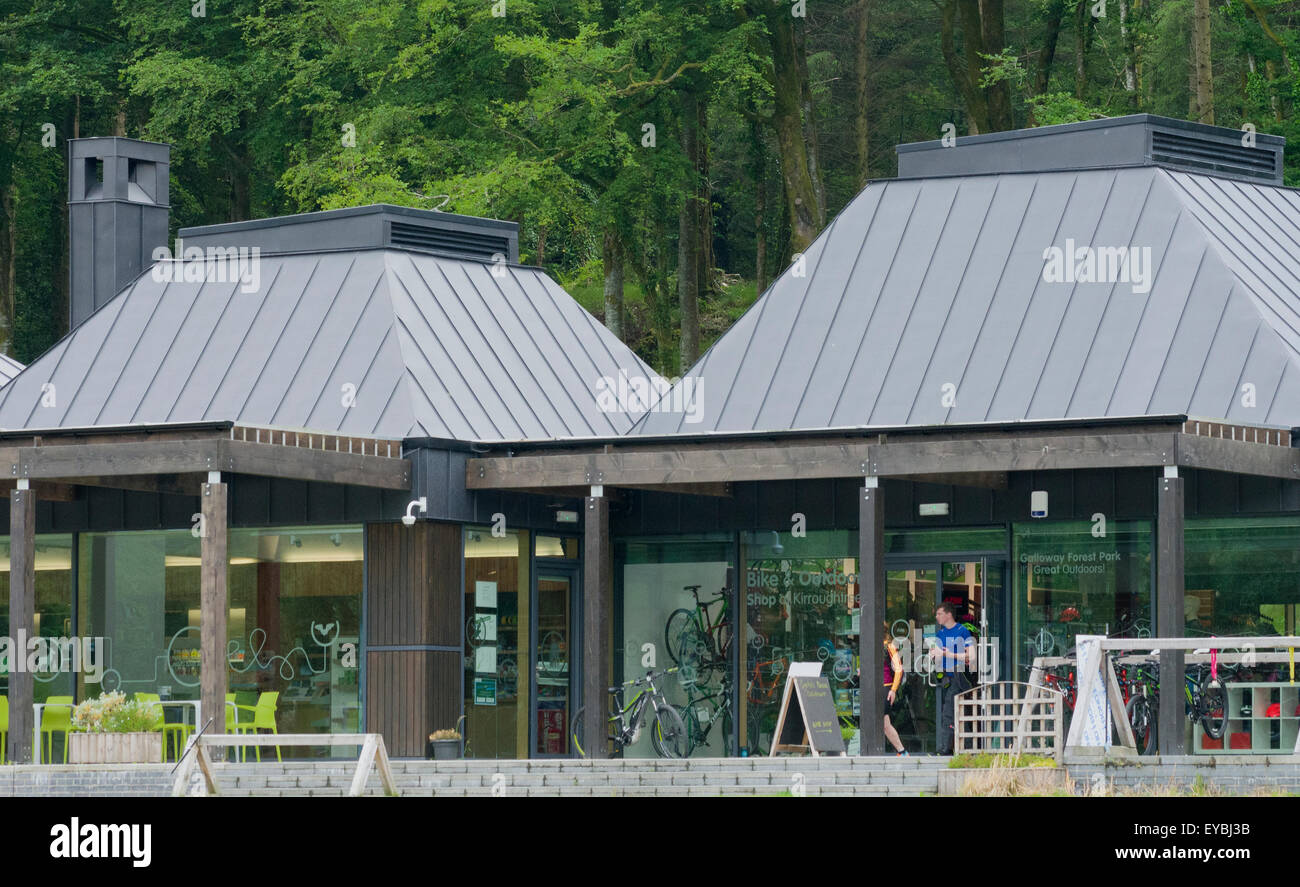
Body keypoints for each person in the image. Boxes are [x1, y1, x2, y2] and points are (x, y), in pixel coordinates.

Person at [929, 602, 975, 755]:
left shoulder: (963, 631)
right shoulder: (940, 634)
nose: (936, 617)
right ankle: (968, 747)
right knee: (958, 713)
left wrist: (950, 655)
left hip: (959, 677)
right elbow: (938, 658)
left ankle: (945, 749)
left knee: (949, 711)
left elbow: (971, 655)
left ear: (949, 614)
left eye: (939, 613)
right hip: (946, 679)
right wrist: (934, 655)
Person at [882, 625, 908, 756]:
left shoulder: (889, 647)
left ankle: (902, 751)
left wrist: (893, 690)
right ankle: (901, 751)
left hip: (885, 688)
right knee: (883, 723)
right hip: (876, 688)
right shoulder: (872, 646)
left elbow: (899, 669)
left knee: (884, 722)